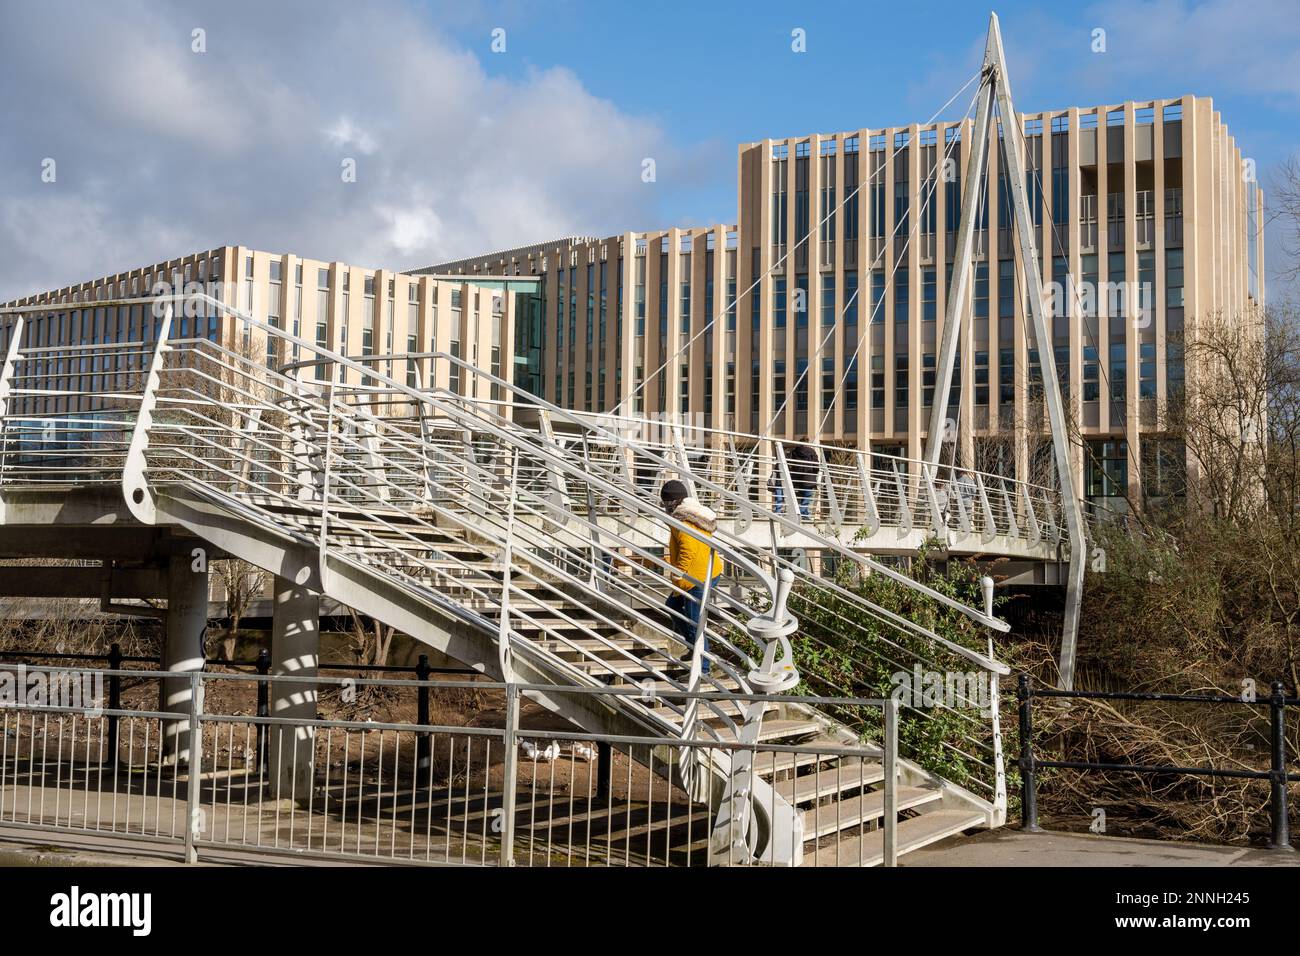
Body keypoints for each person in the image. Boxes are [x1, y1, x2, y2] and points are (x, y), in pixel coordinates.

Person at [660, 479, 722, 673]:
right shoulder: (695, 514)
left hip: (697, 577)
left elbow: (689, 549)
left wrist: (679, 574)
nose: (664, 507)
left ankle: (703, 668)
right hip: (705, 571)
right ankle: (694, 647)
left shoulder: (683, 519)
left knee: (695, 620)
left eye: (665, 503)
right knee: (673, 606)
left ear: (673, 502)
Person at [786, 443, 820, 520]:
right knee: (807, 497)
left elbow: (790, 463)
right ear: (807, 443)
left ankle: (805, 514)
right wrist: (815, 472)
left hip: (797, 477)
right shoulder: (812, 452)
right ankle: (801, 513)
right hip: (809, 477)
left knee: (801, 497)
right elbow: (816, 465)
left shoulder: (794, 451)